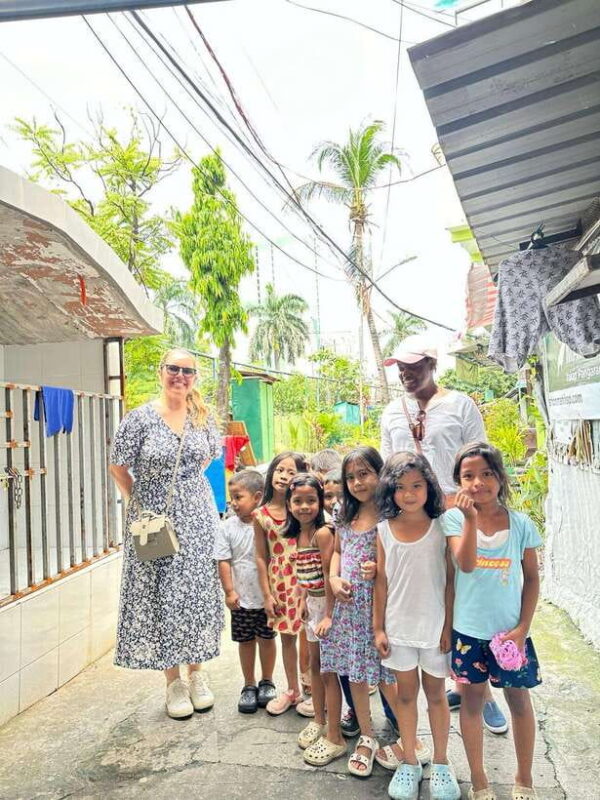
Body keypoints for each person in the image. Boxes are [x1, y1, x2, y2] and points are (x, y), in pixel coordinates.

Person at [381, 335, 508, 734]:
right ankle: (449, 673)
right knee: (429, 593)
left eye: (413, 366)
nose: (405, 373)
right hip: (413, 518)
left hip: (455, 514)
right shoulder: (390, 412)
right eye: (400, 367)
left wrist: (476, 509)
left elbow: (480, 461)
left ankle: (480, 691)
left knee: (467, 593)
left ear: (432, 364)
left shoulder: (460, 405)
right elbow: (390, 469)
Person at [109, 348, 223, 720]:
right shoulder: (139, 418)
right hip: (153, 518)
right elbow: (117, 466)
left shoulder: (202, 417)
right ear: (161, 372)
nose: (180, 376)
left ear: (195, 377)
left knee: (196, 592)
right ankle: (172, 679)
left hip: (198, 517)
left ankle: (196, 674)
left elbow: (207, 459)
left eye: (187, 371)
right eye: (173, 369)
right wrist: (140, 503)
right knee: (161, 593)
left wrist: (188, 493)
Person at [442, 442, 542, 800]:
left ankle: (525, 779)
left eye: (486, 474)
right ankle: (480, 781)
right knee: (470, 705)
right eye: (468, 476)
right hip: (468, 634)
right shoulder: (454, 519)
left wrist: (521, 631)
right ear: (458, 482)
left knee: (519, 703)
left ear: (500, 478)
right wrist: (470, 520)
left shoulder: (520, 525)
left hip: (511, 637)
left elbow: (531, 579)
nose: (477, 483)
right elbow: (465, 565)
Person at [373, 452, 460, 800]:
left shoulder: (443, 527)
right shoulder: (383, 529)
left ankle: (440, 762)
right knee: (406, 696)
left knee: (437, 696)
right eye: (400, 487)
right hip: (398, 629)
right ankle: (409, 761)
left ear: (429, 487)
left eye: (417, 485)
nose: (409, 494)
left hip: (436, 628)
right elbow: (381, 582)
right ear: (390, 491)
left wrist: (448, 627)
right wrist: (379, 628)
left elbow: (451, 581)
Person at [315, 446, 397, 777]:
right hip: (348, 608)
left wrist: (377, 569)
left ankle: (406, 734)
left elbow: (398, 561)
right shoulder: (343, 514)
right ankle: (367, 735)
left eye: (364, 474)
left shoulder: (392, 516)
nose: (357, 483)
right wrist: (334, 578)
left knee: (388, 674)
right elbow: (336, 551)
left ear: (380, 474)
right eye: (350, 477)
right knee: (356, 674)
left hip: (379, 608)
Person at [279, 474, 336, 754]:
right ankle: (319, 718)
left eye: (311, 500)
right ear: (289, 504)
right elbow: (305, 574)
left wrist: (328, 614)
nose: (304, 507)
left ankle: (333, 720)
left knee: (329, 668)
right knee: (314, 664)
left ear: (321, 502)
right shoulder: (297, 534)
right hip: (311, 606)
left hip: (327, 607)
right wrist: (302, 599)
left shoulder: (322, 533)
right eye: (298, 501)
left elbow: (328, 575)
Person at [214, 470, 277, 714]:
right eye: (232, 498)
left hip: (266, 599)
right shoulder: (227, 527)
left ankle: (267, 681)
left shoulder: (267, 524)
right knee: (246, 642)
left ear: (258, 497)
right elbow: (224, 560)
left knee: (267, 640)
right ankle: (249, 685)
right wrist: (229, 592)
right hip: (241, 600)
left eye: (238, 497)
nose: (233, 503)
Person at [254, 450, 309, 715]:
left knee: (310, 637)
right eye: (279, 470)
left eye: (291, 471)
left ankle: (314, 689)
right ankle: (293, 690)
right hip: (281, 583)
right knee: (287, 638)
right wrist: (267, 595)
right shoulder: (261, 515)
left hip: (308, 579)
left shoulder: (302, 506)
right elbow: (261, 556)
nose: (284, 476)